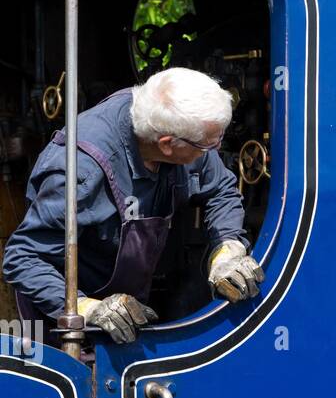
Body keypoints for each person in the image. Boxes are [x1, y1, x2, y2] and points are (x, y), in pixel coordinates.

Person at [3, 66, 263, 343]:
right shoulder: (80, 171)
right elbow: (23, 258)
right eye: (206, 146)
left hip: (131, 312)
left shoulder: (183, 126)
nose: (213, 149)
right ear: (166, 144)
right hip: (62, 327)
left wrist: (226, 252)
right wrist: (87, 308)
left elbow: (220, 187)